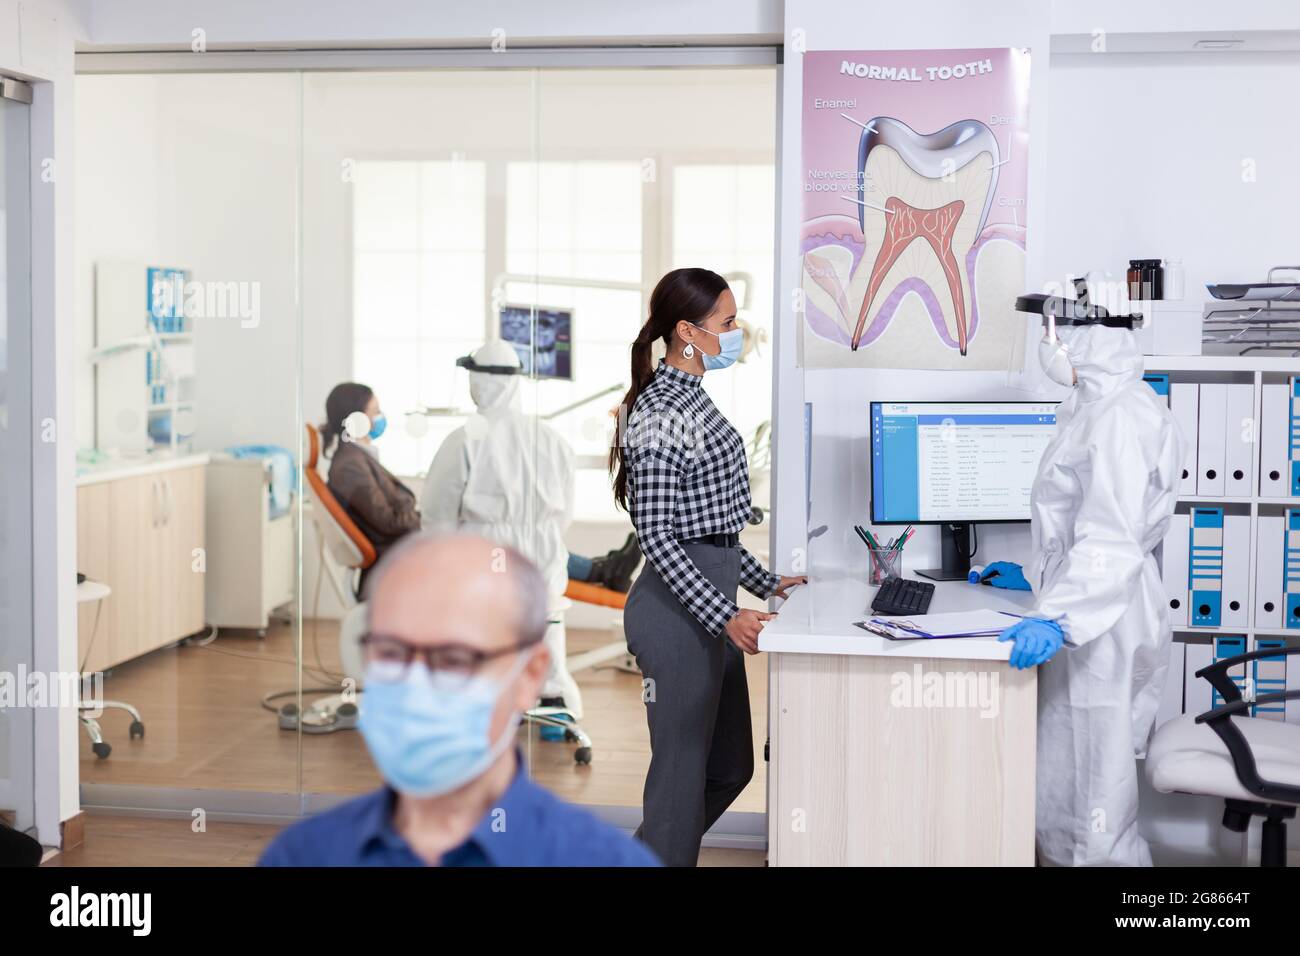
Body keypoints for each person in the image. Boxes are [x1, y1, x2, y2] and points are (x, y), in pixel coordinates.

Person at [259, 533, 660, 867]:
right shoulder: (301, 855)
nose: (416, 687)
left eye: (454, 659)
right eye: (392, 653)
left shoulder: (603, 860)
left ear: (529, 675)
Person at [610, 267, 805, 866]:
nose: (737, 331)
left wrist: (768, 582)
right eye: (728, 321)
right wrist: (726, 616)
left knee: (729, 767)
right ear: (687, 332)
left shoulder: (692, 396)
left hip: (709, 603)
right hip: (676, 616)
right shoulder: (661, 412)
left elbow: (710, 526)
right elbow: (659, 536)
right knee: (679, 780)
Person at [997, 316, 1186, 867]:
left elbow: (1111, 535)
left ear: (1090, 337)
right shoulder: (1102, 405)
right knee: (1082, 775)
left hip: (1103, 620)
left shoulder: (1118, 418)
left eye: (1055, 334)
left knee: (1088, 792)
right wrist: (1037, 576)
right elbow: (1079, 521)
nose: (1048, 346)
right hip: (1104, 602)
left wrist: (1058, 616)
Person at [420, 340, 582, 719]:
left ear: (478, 381)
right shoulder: (552, 440)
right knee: (545, 628)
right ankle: (553, 706)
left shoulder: (463, 440)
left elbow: (438, 520)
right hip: (542, 564)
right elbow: (564, 515)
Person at [320, 382, 421, 590]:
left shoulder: (358, 457)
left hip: (401, 557)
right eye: (375, 411)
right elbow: (389, 522)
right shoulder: (350, 466)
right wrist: (428, 517)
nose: (380, 417)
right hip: (390, 568)